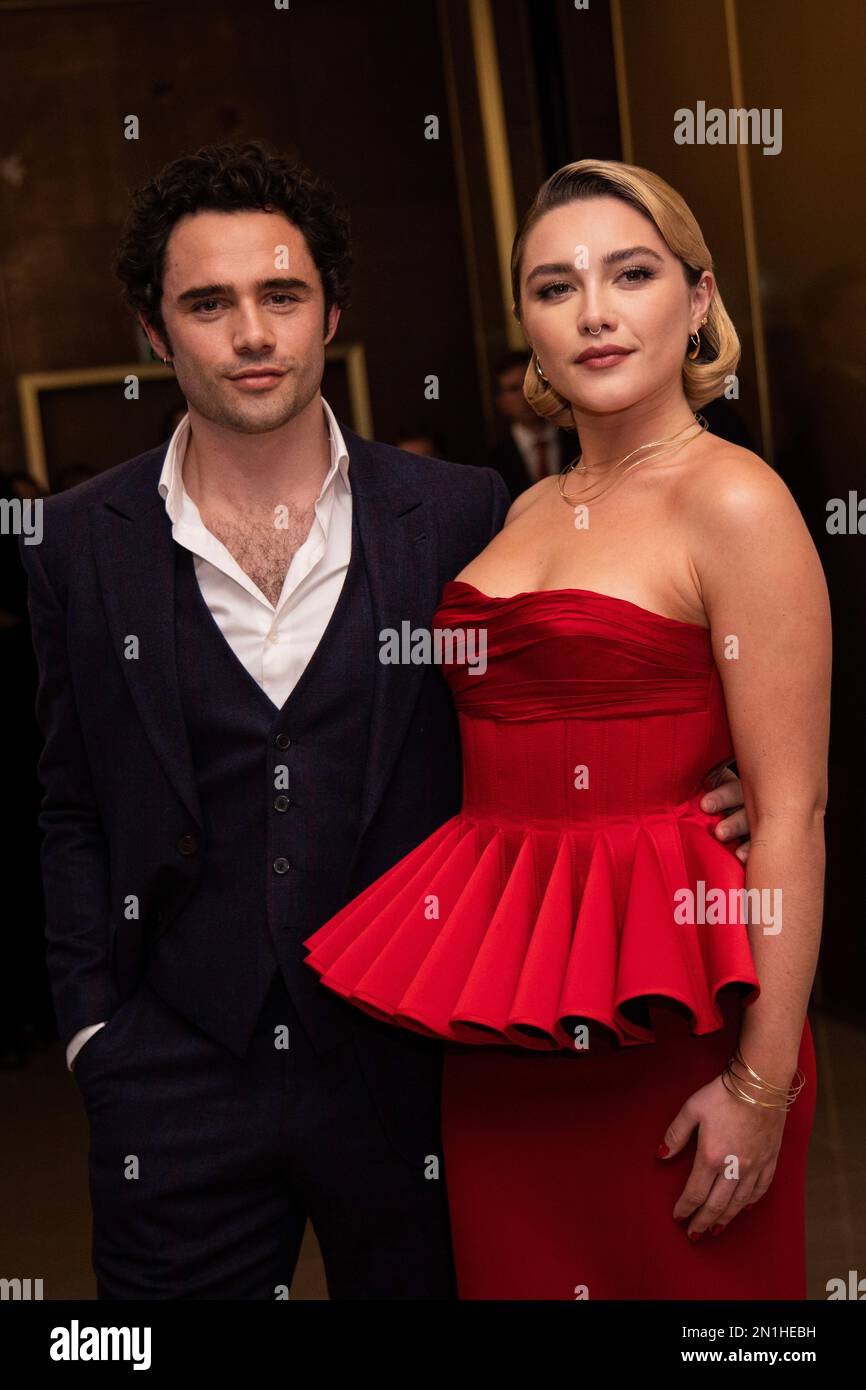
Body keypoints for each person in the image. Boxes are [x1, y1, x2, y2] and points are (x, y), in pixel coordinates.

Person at [20, 141, 755, 1301]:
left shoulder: (462, 511)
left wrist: (715, 783)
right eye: (208, 304)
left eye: (281, 295)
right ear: (156, 334)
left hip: (421, 1061)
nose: (251, 334)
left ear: (330, 312)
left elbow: (563, 699)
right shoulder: (75, 541)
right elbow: (66, 799)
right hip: (172, 1071)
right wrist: (91, 1033)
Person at [303, 159, 829, 1299]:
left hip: (667, 1012)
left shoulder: (734, 499)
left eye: (629, 274)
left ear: (694, 302)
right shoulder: (519, 507)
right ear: (525, 327)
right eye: (554, 286)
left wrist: (760, 1085)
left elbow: (789, 812)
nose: (592, 310)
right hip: (500, 1023)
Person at [486, 350, 575, 497]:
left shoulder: (580, 442)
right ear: (500, 401)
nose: (525, 396)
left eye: (529, 385)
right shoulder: (492, 460)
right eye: (513, 389)